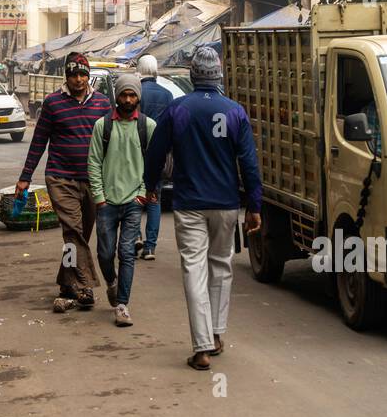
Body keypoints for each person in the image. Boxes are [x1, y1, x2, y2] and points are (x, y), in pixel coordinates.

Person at [145, 46, 262, 372]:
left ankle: (202, 349)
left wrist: (149, 186)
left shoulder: (178, 109)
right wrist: (254, 205)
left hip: (189, 205)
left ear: (193, 75)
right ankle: (216, 335)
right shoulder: (236, 111)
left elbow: (156, 153)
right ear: (219, 76)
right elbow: (249, 164)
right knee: (221, 268)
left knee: (194, 272)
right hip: (225, 205)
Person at [15, 51, 111, 312]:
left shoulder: (102, 104)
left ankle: (66, 283)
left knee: (78, 237)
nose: (78, 79)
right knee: (73, 231)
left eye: (82, 74)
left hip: (93, 180)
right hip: (60, 178)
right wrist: (25, 177)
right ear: (66, 76)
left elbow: (111, 144)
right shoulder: (53, 103)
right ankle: (84, 285)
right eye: (73, 74)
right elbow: (39, 142)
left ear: (88, 76)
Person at [88, 73, 156, 327]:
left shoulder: (147, 127)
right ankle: (111, 283)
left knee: (126, 252)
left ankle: (122, 305)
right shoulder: (102, 126)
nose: (128, 100)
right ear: (116, 96)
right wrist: (99, 197)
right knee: (105, 254)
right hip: (107, 202)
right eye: (123, 95)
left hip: (133, 202)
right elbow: (93, 163)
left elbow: (154, 165)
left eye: (132, 95)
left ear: (139, 97)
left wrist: (142, 193)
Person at [135, 54, 174, 261]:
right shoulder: (167, 95)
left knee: (133, 198)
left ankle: (135, 237)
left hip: (135, 155)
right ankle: (150, 248)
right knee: (154, 200)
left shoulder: (134, 93)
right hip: (158, 156)